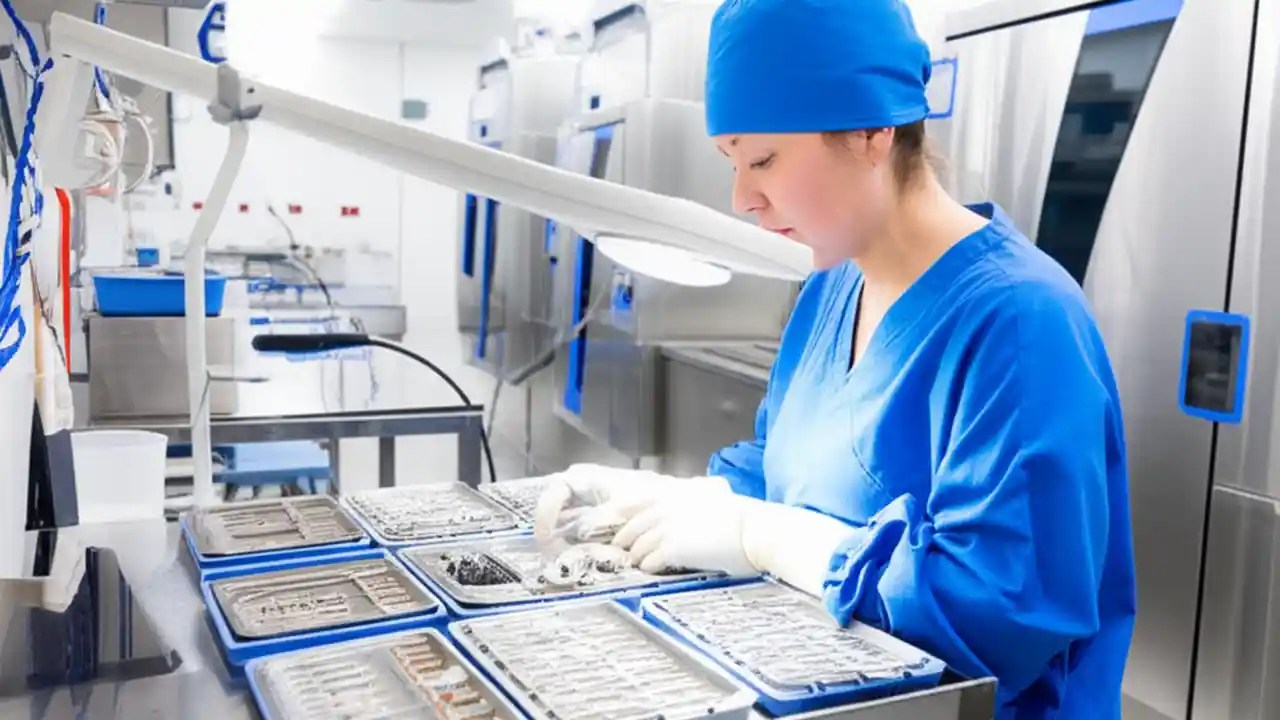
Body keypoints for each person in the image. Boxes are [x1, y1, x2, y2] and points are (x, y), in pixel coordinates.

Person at [533, 0, 1136, 717]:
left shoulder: (1021, 321)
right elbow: (786, 462)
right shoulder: (830, 287)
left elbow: (1000, 614)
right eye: (731, 162)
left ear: (872, 131)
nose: (742, 197)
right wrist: (681, 498)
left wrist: (768, 537)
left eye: (763, 159)